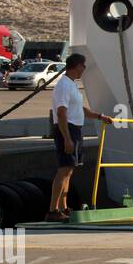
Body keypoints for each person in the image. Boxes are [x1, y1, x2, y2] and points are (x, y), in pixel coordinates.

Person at [49, 53, 113, 220]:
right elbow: (61, 112)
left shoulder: (71, 85)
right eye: (83, 65)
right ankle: (52, 210)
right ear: (77, 65)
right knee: (63, 170)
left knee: (69, 170)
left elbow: (79, 109)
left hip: (74, 129)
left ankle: (63, 207)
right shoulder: (63, 85)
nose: (84, 69)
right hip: (67, 129)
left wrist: (99, 116)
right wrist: (67, 138)